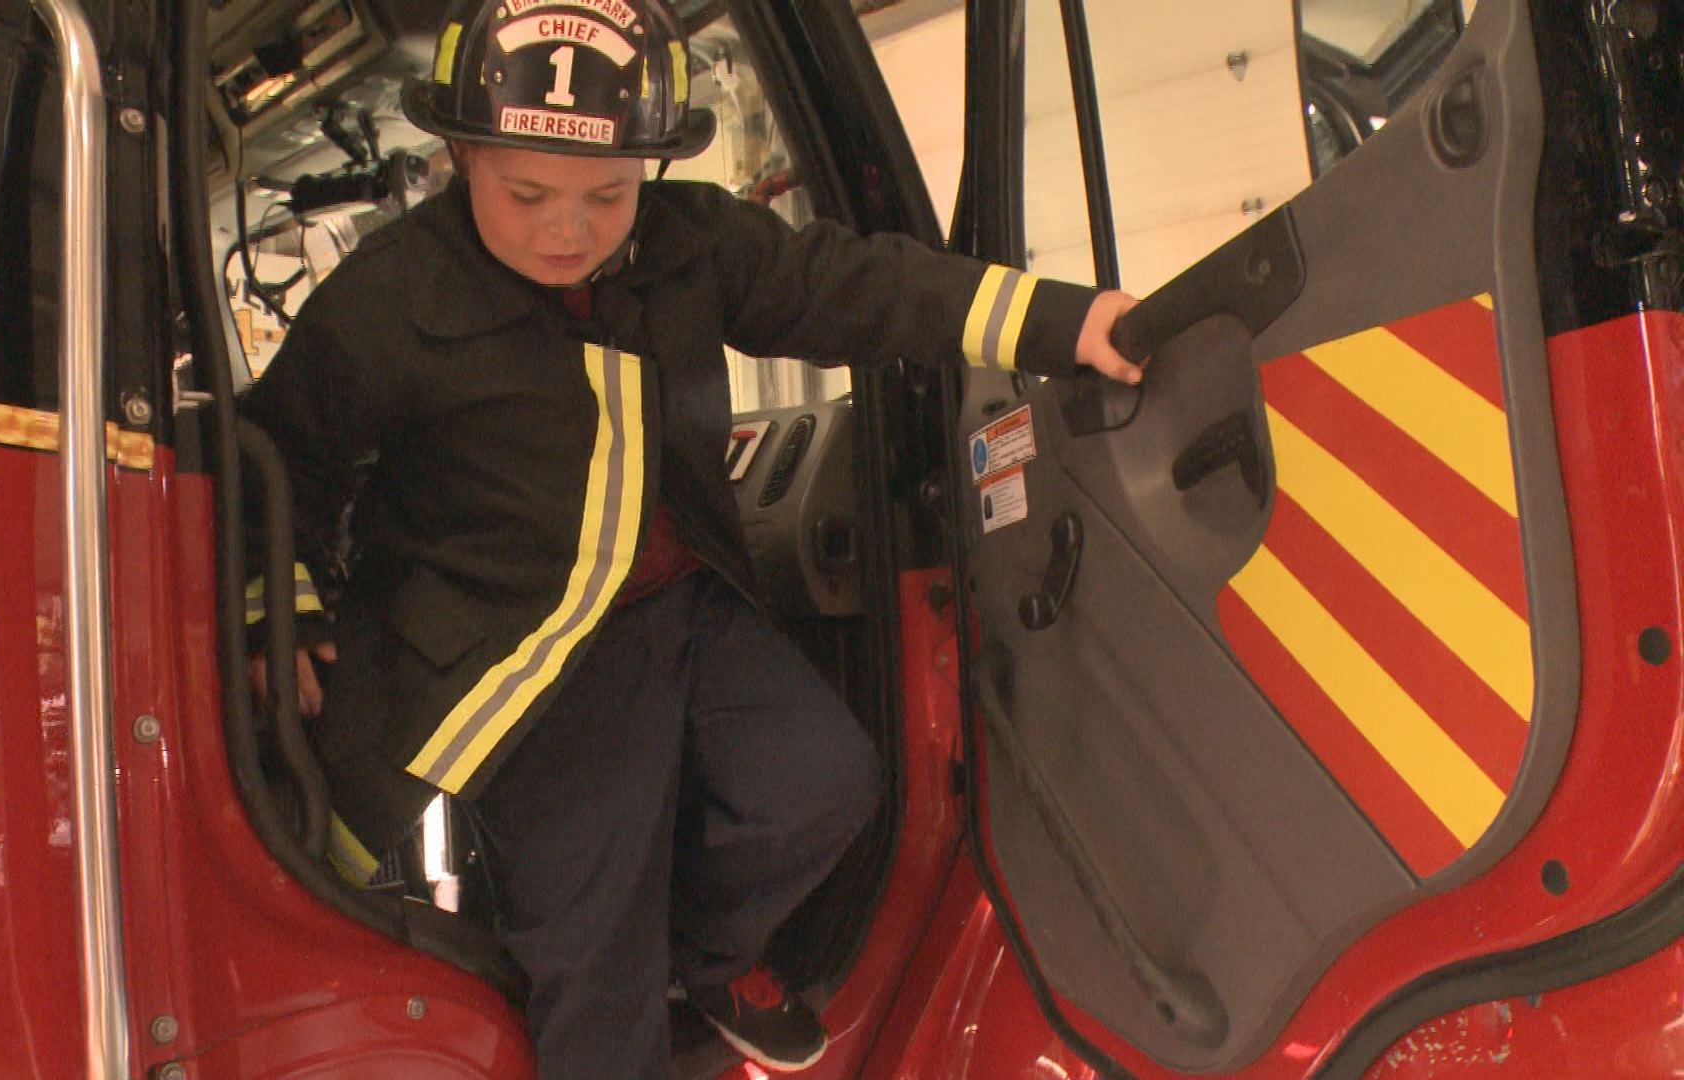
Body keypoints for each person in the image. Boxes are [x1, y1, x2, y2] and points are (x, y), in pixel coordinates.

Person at [241, 1, 1141, 1077]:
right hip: (517, 658)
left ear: (650, 175)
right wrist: (274, 608)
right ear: (460, 153)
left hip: (682, 608)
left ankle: (703, 963)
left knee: (826, 783)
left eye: (607, 196)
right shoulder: (387, 296)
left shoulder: (694, 244)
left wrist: (1067, 322)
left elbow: (857, 285)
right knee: (593, 948)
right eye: (526, 193)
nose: (566, 228)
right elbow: (273, 455)